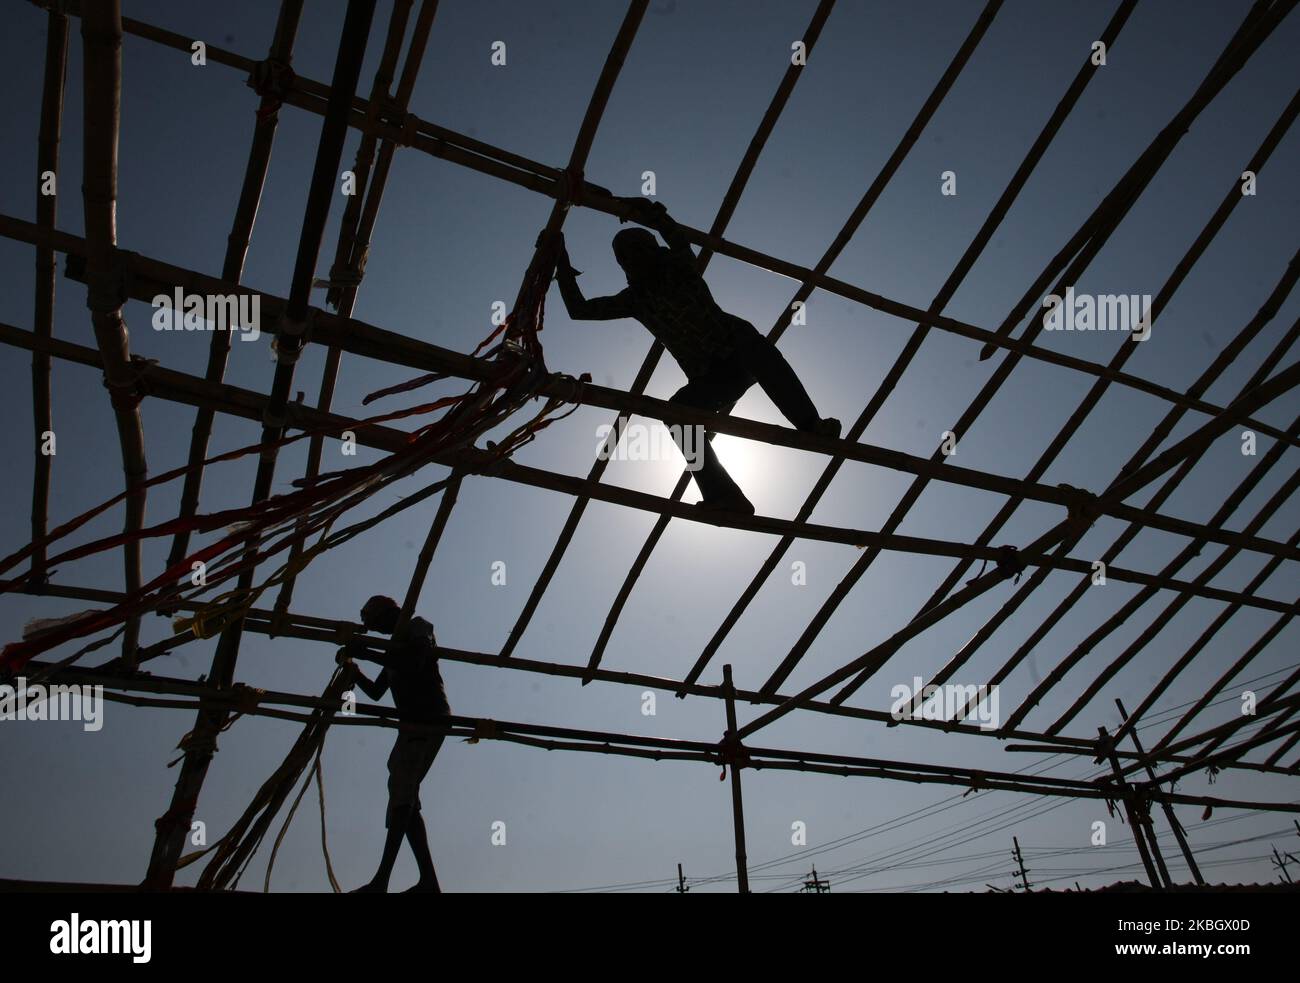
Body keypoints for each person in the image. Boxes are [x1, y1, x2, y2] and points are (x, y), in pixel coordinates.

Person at [554, 198, 840, 516]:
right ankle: (725, 496)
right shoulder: (635, 299)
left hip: (739, 348)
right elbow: (579, 310)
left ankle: (810, 424)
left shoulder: (679, 266)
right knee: (677, 412)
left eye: (637, 249)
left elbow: (674, 236)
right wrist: (560, 261)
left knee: (759, 351)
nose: (632, 258)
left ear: (653, 250)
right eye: (625, 256)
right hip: (712, 378)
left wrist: (653, 214)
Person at [336, 594, 450, 893]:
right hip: (413, 724)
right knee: (404, 797)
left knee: (402, 793)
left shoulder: (418, 627)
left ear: (391, 613)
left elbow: (415, 662)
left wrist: (368, 653)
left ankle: (382, 881)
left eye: (377, 624)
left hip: (426, 718)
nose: (378, 631)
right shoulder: (393, 649)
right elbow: (376, 692)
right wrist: (354, 670)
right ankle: (428, 882)